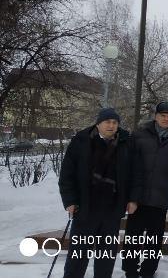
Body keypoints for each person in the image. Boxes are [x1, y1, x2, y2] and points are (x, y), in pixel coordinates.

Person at [59, 107, 136, 278]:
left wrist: (132, 199)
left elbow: (135, 174)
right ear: (99, 123)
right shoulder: (81, 141)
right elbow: (67, 174)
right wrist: (70, 201)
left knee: (106, 255)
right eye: (107, 122)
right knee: (79, 253)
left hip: (112, 208)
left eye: (115, 122)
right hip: (85, 206)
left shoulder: (126, 143)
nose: (111, 125)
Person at [123, 101, 168, 278]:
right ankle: (130, 270)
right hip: (138, 197)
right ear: (155, 116)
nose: (166, 119)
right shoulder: (139, 135)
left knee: (154, 240)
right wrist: (128, 194)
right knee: (133, 238)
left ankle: (148, 271)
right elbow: (128, 166)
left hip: (161, 198)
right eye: (163, 115)